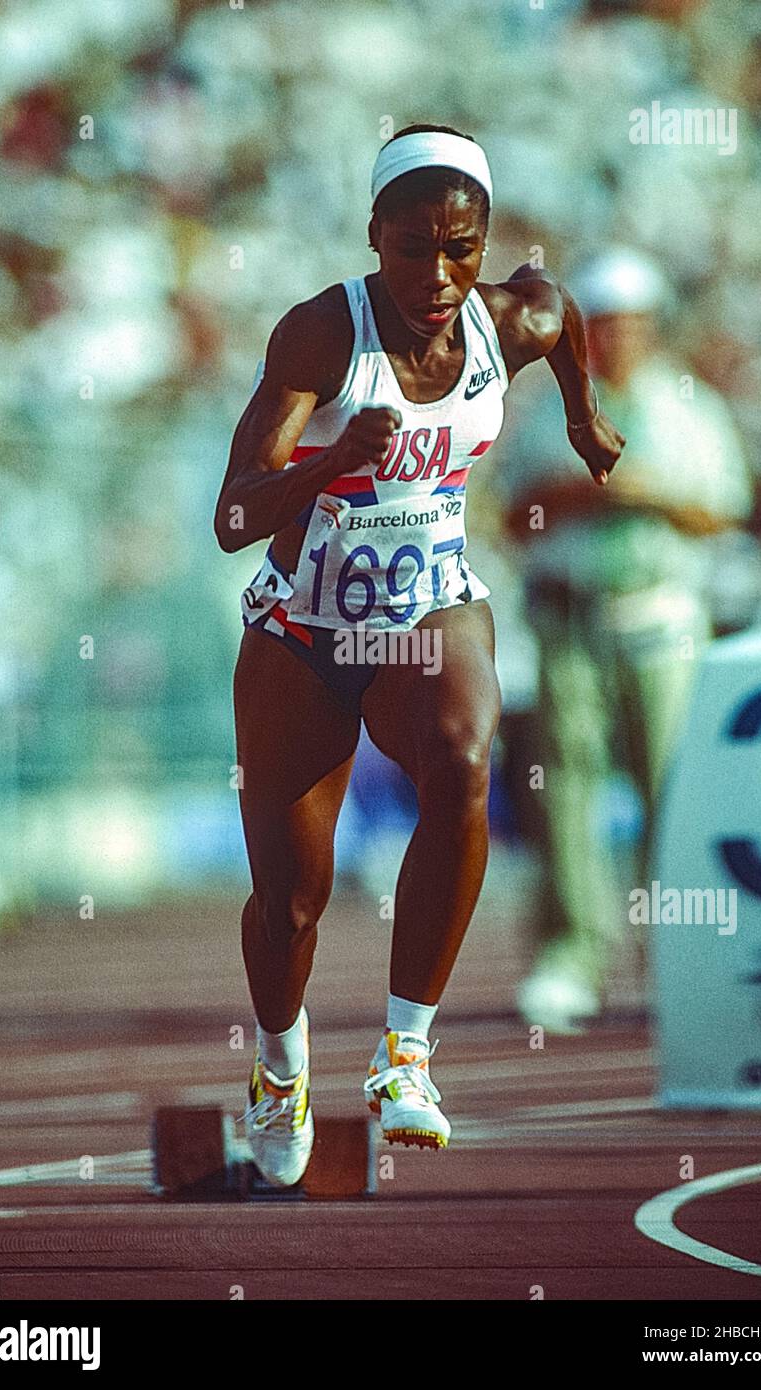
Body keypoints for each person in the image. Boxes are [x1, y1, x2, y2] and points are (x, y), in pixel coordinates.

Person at [213, 124, 624, 1185]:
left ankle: (404, 1056)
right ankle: (276, 1062)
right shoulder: (320, 335)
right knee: (289, 905)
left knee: (466, 762)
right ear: (372, 237)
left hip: (425, 605)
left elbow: (557, 305)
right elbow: (230, 515)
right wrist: (329, 463)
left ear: (481, 242)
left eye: (460, 248)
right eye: (409, 249)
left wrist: (584, 411)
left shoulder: (505, 318)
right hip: (302, 629)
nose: (436, 276)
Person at [501, 247, 753, 1033]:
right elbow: (515, 516)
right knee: (565, 788)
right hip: (572, 610)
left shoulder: (689, 410)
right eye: (602, 327)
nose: (616, 341)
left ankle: (678, 958)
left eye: (628, 327)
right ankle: (575, 953)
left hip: (658, 610)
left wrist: (650, 496)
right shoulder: (549, 413)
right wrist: (577, 494)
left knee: (671, 786)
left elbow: (723, 512)